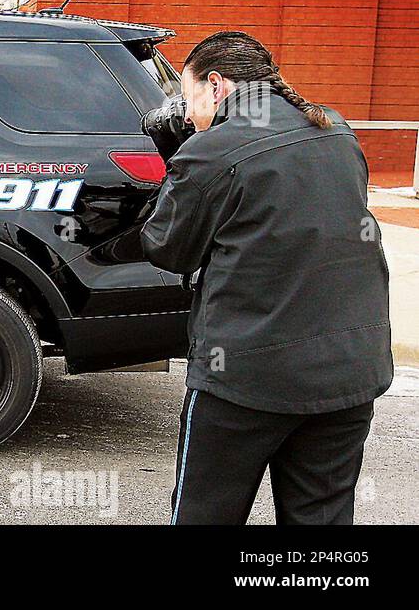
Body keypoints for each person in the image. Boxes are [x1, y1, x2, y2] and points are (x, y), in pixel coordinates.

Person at [140, 31, 393, 525]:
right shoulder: (337, 129)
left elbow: (166, 247)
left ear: (216, 86)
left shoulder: (212, 151)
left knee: (205, 514)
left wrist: (181, 159)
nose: (187, 114)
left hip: (246, 378)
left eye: (188, 98)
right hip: (349, 370)